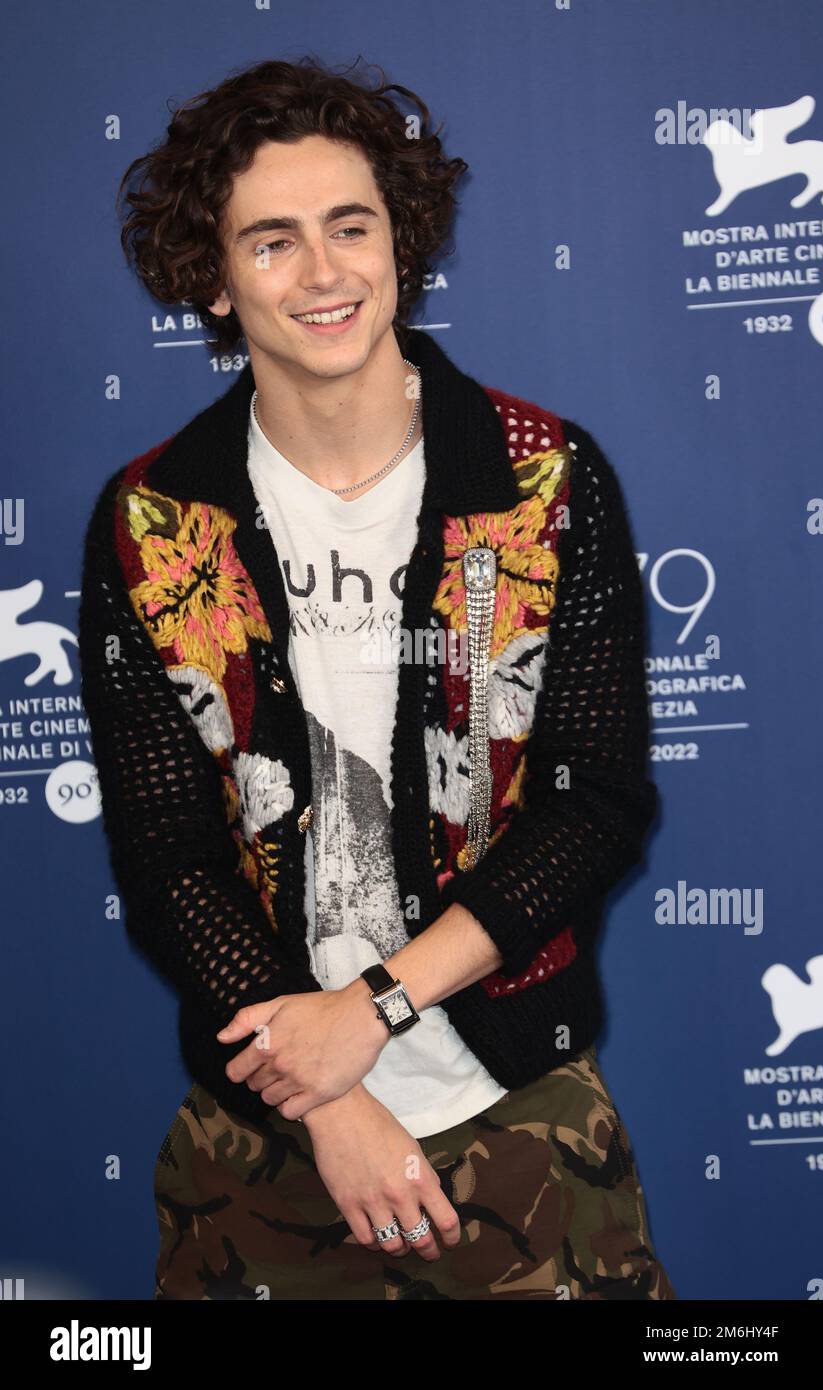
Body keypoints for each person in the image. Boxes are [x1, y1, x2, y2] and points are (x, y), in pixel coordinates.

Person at [78, 54, 676, 1300]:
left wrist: (376, 1013)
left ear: (399, 239)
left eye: (350, 226)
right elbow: (165, 852)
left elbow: (596, 804)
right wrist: (327, 1095)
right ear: (214, 276)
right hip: (266, 1131)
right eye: (272, 241)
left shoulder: (542, 481)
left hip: (519, 1102)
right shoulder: (154, 520)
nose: (324, 273)